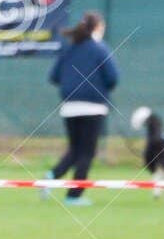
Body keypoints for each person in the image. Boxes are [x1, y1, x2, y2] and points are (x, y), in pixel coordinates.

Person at [45, 11, 119, 207]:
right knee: (87, 153)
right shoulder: (100, 49)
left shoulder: (69, 49)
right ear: (98, 28)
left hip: (69, 108)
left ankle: (51, 176)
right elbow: (112, 78)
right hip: (93, 108)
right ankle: (74, 196)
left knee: (76, 150)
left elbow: (54, 76)